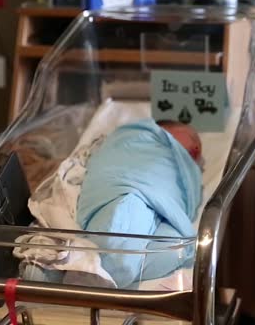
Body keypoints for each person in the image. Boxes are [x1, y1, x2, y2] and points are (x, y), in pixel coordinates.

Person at [76, 119, 203, 287]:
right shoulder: (136, 137)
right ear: (162, 129)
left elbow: (177, 190)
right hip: (126, 189)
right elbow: (116, 162)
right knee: (124, 214)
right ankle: (106, 266)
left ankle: (97, 270)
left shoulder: (178, 167)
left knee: (177, 249)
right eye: (192, 138)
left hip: (162, 206)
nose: (196, 149)